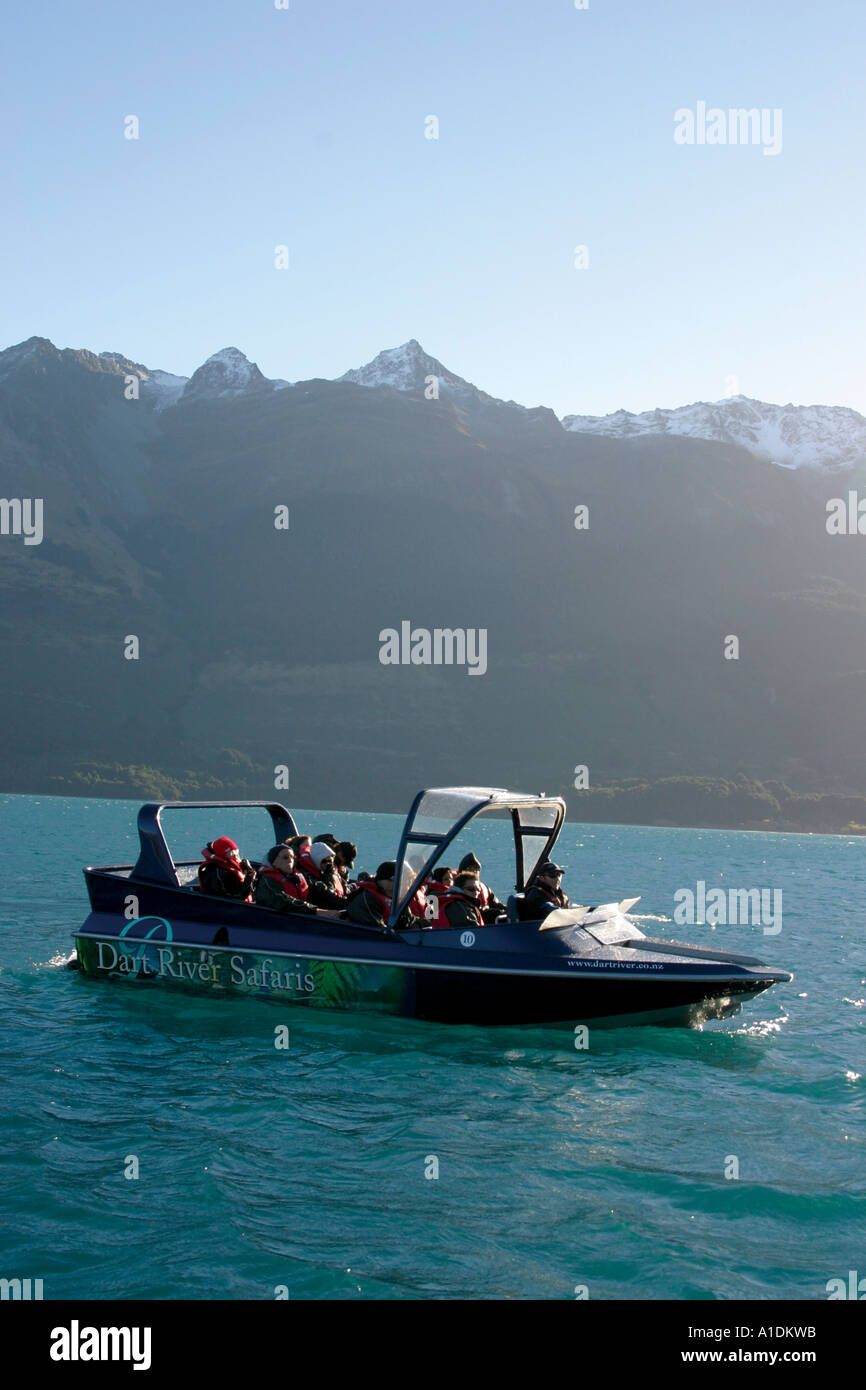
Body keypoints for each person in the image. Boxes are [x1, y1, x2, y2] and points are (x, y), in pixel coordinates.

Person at [255, 845, 334, 917]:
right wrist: (316, 911)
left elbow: (318, 891)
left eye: (292, 857)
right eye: (286, 857)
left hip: (303, 919)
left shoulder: (299, 876)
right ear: (274, 862)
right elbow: (282, 902)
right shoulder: (266, 881)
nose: (290, 860)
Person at [198, 836, 256, 901]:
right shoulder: (220, 873)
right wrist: (250, 876)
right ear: (223, 854)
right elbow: (239, 896)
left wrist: (246, 869)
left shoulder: (230, 866)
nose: (237, 857)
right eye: (233, 854)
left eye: (237, 853)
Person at [457, 853, 506, 921]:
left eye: (477, 869)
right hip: (472, 920)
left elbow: (497, 905)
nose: (474, 871)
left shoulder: (485, 888)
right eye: (470, 868)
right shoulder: (457, 889)